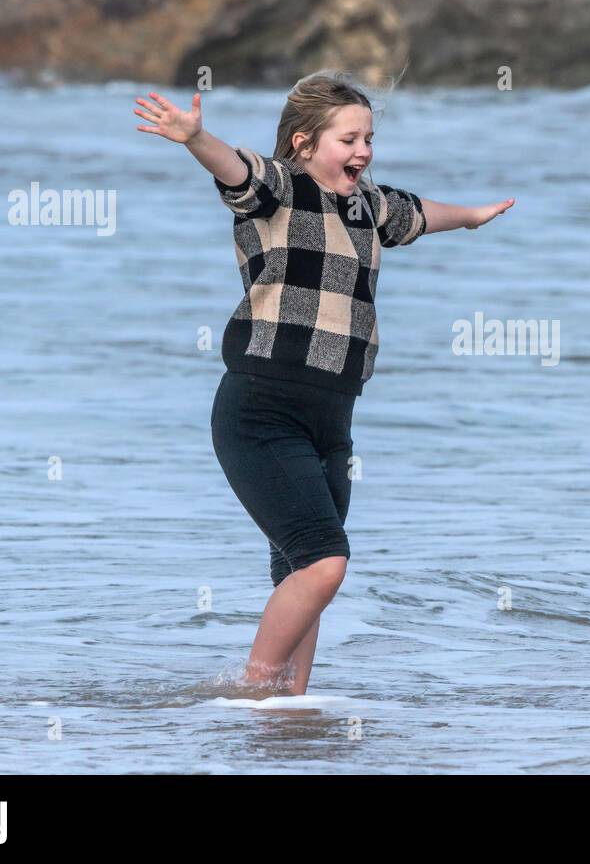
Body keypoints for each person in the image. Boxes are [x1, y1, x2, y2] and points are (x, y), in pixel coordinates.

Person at [133, 69, 514, 694]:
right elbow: (235, 168)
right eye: (347, 139)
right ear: (305, 143)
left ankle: (291, 707)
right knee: (324, 562)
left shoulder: (369, 207)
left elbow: (420, 214)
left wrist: (472, 216)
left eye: (368, 139)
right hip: (261, 411)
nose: (362, 151)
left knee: (301, 572)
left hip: (331, 419)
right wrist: (194, 138)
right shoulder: (278, 191)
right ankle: (253, 694)